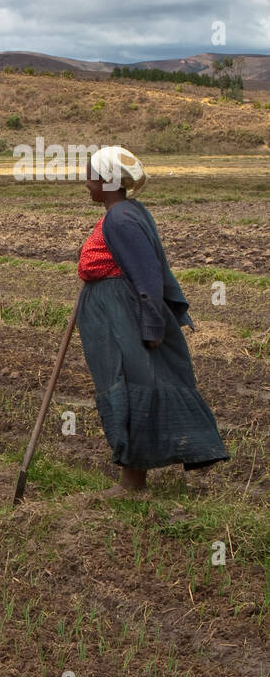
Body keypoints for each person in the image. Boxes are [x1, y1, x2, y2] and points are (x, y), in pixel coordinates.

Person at [77, 146, 227, 494]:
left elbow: (147, 277)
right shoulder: (125, 213)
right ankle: (134, 478)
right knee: (132, 386)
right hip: (117, 320)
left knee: (130, 388)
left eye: (91, 176)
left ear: (108, 181)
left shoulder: (122, 219)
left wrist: (151, 327)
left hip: (125, 322)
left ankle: (132, 483)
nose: (86, 183)